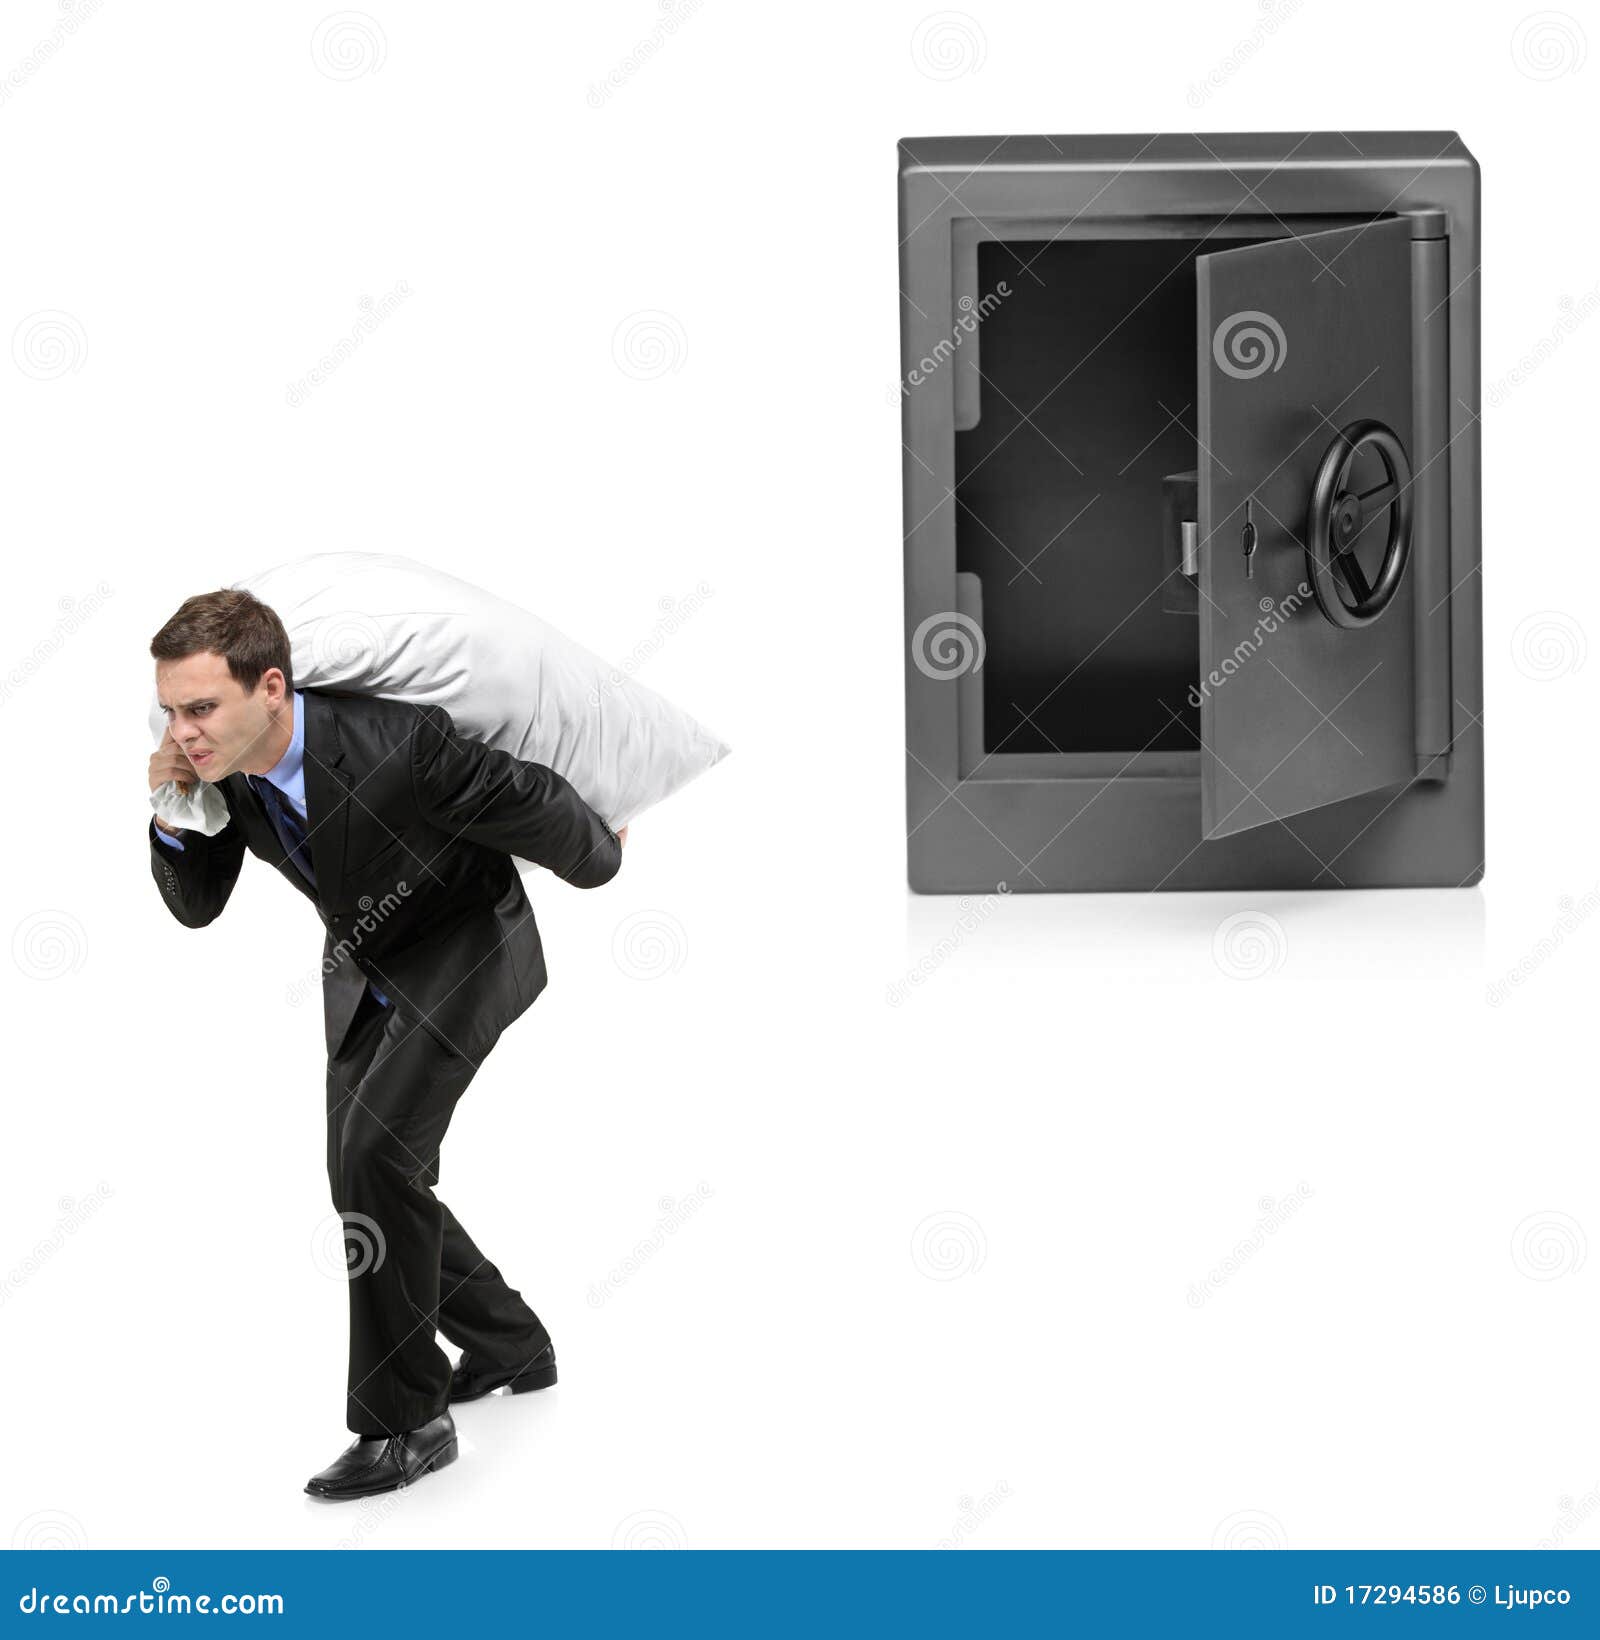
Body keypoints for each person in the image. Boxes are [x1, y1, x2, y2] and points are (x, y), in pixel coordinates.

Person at [146, 588, 625, 1499]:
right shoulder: (216, 771)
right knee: (365, 1175)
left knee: (374, 1159)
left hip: (470, 947)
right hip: (369, 969)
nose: (184, 730)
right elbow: (198, 906)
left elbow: (529, 797)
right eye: (171, 710)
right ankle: (509, 1343)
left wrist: (601, 854)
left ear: (272, 688)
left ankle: (409, 1422)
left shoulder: (398, 745)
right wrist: (173, 810)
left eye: (201, 708)